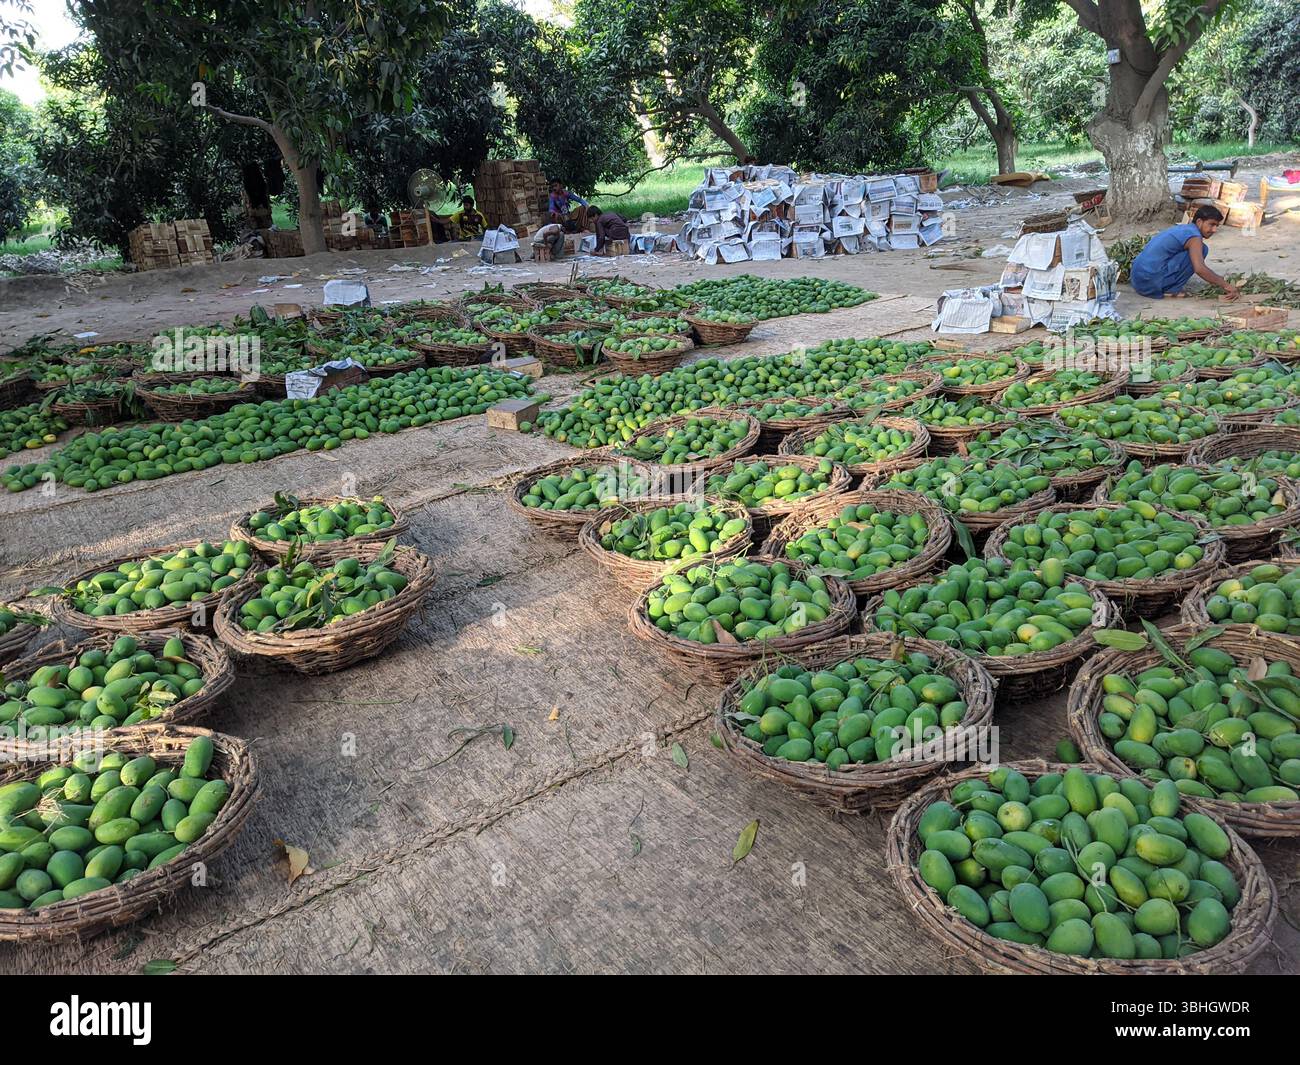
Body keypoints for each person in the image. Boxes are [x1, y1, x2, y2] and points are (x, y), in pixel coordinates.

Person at [1129, 206, 1241, 300]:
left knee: (1200, 249)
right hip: (1149, 284)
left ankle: (1166, 284)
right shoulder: (1194, 236)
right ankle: (1170, 290)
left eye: (1217, 226)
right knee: (1202, 250)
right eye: (1211, 224)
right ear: (1199, 222)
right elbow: (1200, 269)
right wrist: (1225, 285)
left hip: (1137, 280)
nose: (1214, 230)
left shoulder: (1184, 228)